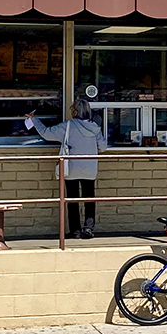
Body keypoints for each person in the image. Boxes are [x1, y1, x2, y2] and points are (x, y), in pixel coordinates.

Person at [27, 98, 106, 239]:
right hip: (89, 167)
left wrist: (34, 119)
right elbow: (103, 147)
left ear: (74, 111)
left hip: (71, 167)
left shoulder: (68, 126)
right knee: (89, 199)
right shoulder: (95, 128)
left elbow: (46, 133)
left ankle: (75, 230)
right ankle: (89, 228)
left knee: (72, 200)